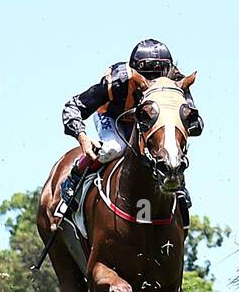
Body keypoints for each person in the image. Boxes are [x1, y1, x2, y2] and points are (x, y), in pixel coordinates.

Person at [58, 39, 201, 220]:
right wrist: (82, 136)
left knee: (168, 145)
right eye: (147, 76)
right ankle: (75, 176)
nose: (152, 82)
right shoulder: (117, 80)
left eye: (158, 75)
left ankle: (178, 184)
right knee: (114, 148)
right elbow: (74, 106)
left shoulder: (176, 81)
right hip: (112, 116)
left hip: (148, 124)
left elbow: (196, 123)